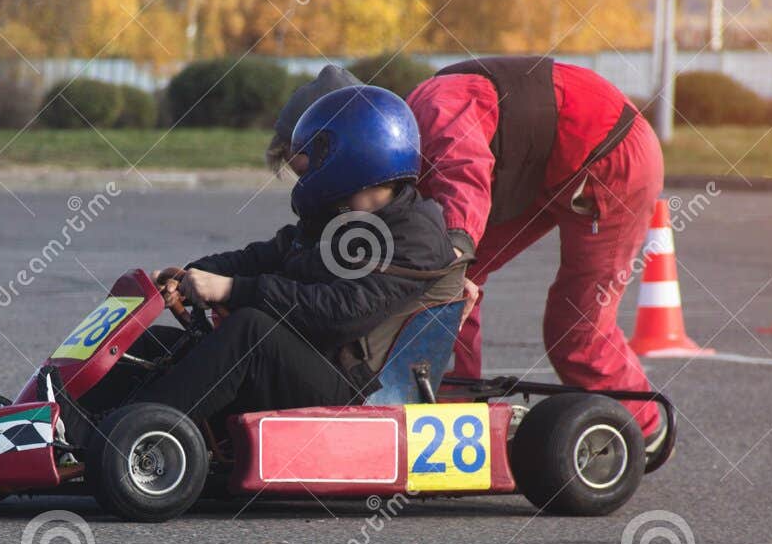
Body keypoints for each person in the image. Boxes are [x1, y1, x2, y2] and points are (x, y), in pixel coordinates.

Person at [268, 60, 667, 449]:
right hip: (540, 169)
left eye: (312, 169)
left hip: (610, 155)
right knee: (443, 289)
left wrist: (457, 252)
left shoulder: (436, 107)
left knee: (574, 328)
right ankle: (452, 412)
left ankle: (641, 431)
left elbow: (464, 176)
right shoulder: (393, 149)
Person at [130, 84, 466, 423]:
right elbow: (268, 256)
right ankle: (92, 425)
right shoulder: (347, 216)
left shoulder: (415, 236)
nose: (310, 173)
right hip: (312, 358)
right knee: (157, 345)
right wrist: (190, 275)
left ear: (357, 156)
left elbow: (341, 312)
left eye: (318, 161)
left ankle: (136, 437)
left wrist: (234, 289)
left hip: (357, 390)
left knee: (250, 332)